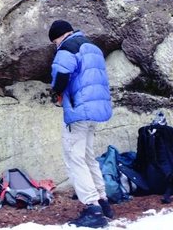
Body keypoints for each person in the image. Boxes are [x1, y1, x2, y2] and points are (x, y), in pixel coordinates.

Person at [49, 19, 113, 228]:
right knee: (87, 156)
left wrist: (56, 92)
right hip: (95, 111)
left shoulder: (68, 47)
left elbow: (62, 73)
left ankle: (92, 208)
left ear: (59, 36)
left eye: (54, 42)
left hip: (79, 111)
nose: (55, 45)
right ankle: (103, 202)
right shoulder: (91, 46)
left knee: (74, 158)